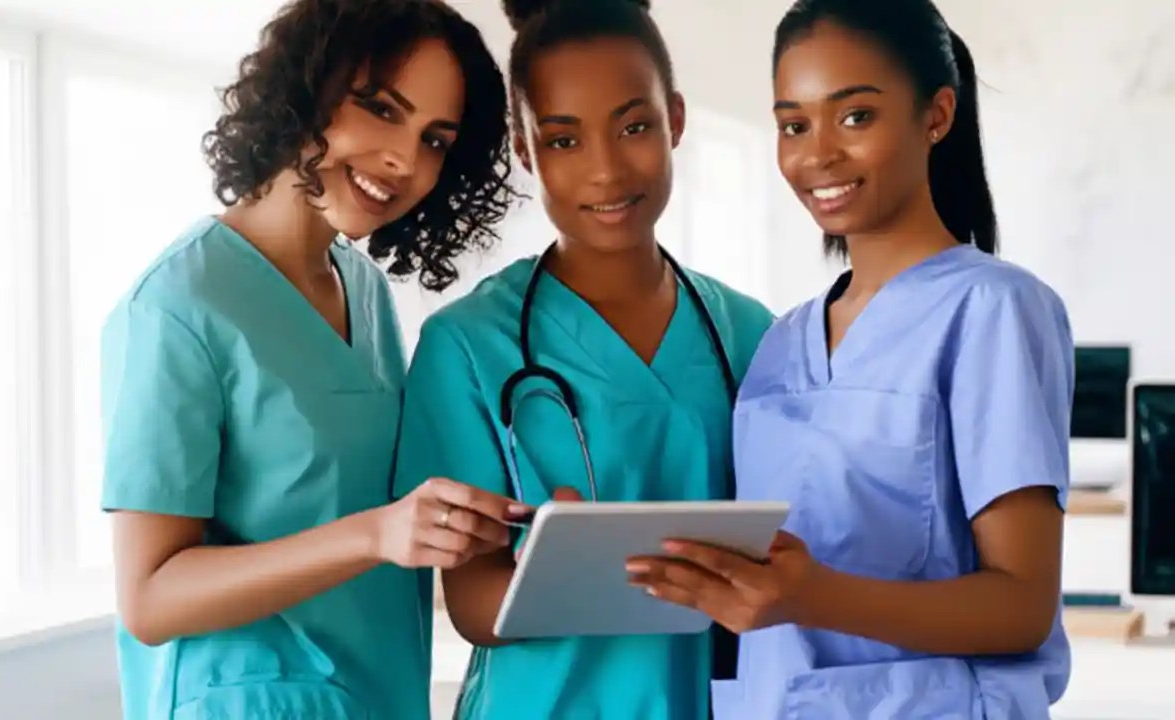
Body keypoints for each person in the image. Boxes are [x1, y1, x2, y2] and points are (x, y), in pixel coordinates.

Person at [626, 1, 1073, 717]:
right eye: (793, 125)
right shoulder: (781, 342)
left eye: (855, 116)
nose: (817, 154)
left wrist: (814, 597)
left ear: (937, 115)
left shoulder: (992, 308)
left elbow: (1022, 605)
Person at [98, 1, 529, 718]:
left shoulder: (361, 290)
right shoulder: (176, 307)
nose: (405, 161)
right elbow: (148, 598)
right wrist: (377, 534)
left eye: (435, 140)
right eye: (381, 110)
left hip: (378, 692)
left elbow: (368, 498)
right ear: (307, 87)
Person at [391, 0, 776, 717]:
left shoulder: (753, 336)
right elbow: (473, 605)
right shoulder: (470, 345)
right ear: (526, 147)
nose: (605, 171)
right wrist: (561, 568)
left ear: (677, 121)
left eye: (634, 127)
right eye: (564, 141)